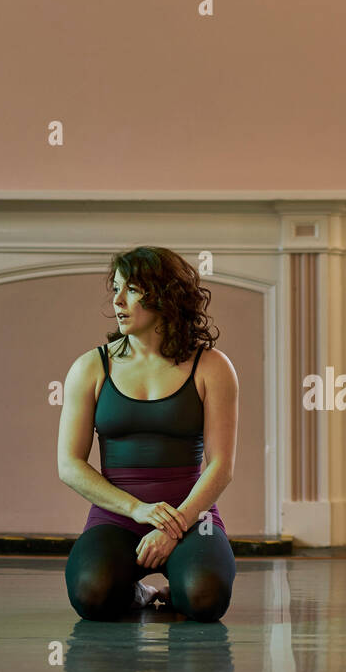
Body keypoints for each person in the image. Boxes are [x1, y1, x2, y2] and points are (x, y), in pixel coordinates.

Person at [58, 246, 238, 622]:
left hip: (191, 517)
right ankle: (138, 592)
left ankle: (177, 590)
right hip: (117, 517)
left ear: (165, 297)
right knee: (93, 596)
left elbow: (221, 466)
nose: (117, 300)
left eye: (132, 290)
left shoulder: (212, 366)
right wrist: (138, 510)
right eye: (116, 289)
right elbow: (69, 465)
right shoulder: (91, 367)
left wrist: (175, 526)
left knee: (205, 600)